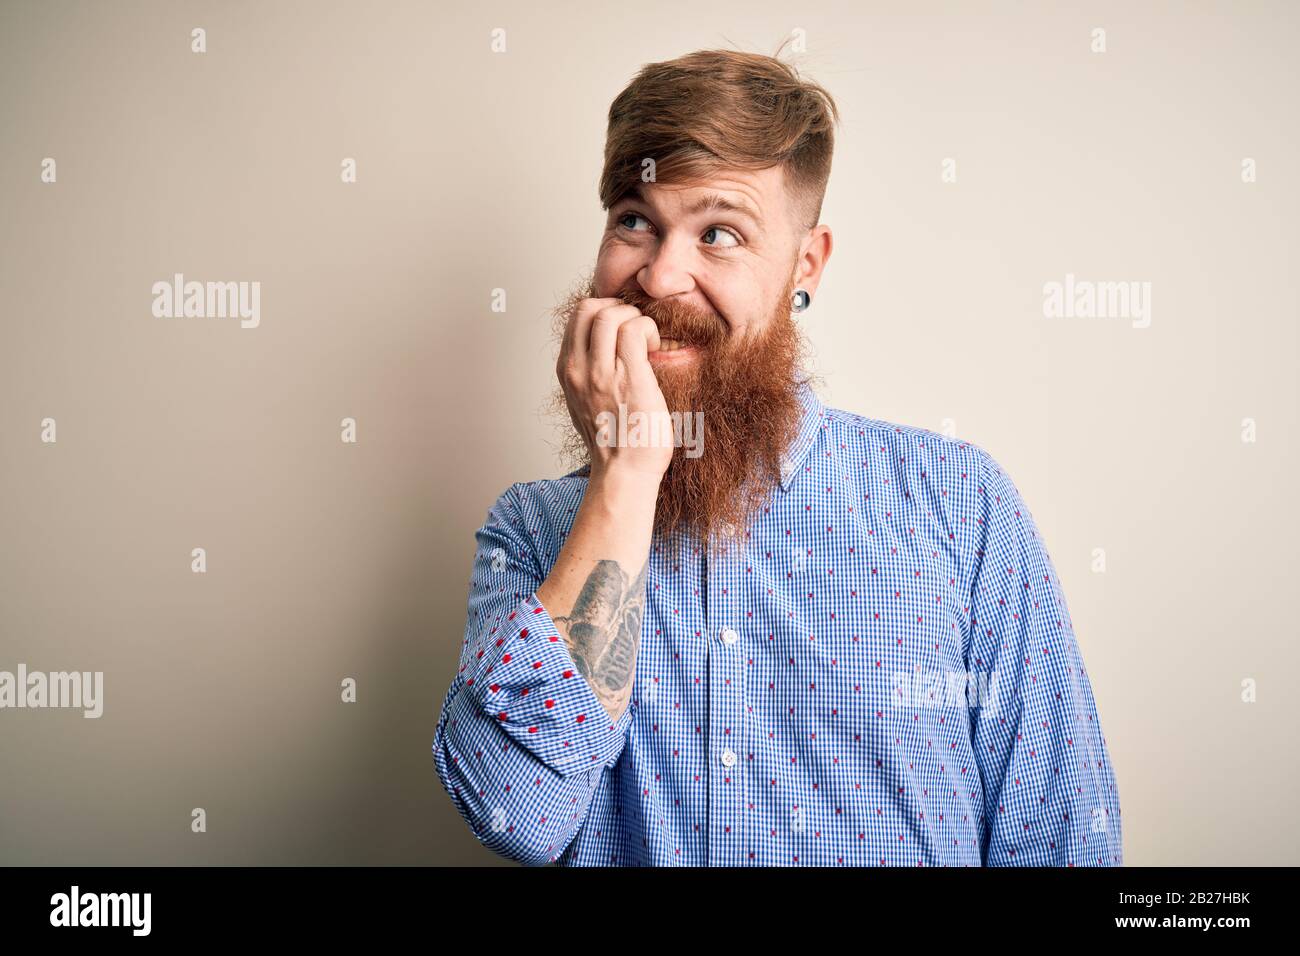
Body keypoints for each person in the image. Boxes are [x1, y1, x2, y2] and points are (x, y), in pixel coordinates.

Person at [432, 47, 1122, 866]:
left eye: (718, 232)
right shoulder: (532, 533)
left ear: (806, 265)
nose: (659, 276)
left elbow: (1064, 842)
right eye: (634, 220)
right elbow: (518, 814)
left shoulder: (960, 506)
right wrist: (624, 477)